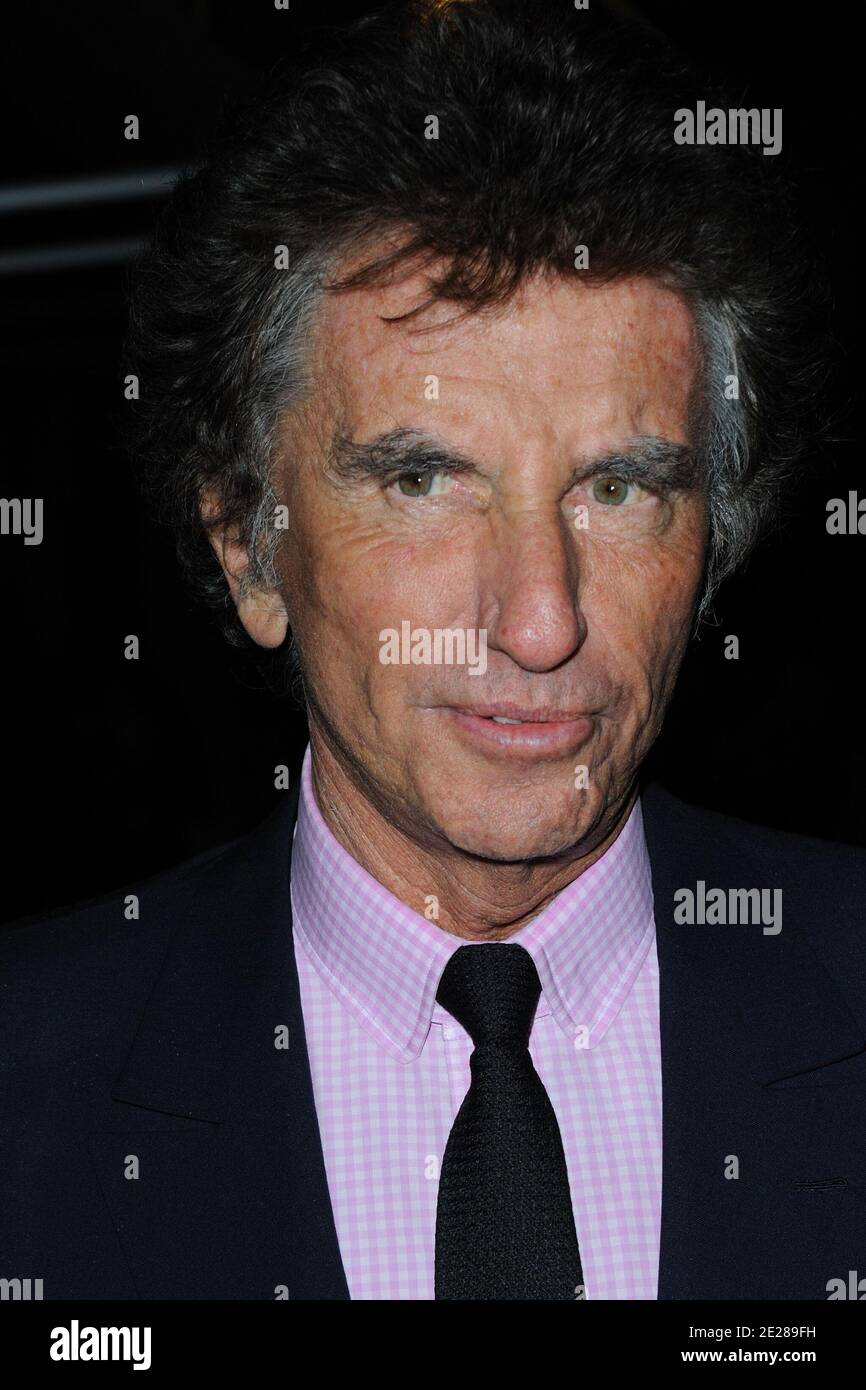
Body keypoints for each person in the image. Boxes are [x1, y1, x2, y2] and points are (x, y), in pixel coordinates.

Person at [2, 0, 864, 1301]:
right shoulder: (28, 1084)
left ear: (716, 544)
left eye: (621, 487)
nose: (539, 619)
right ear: (248, 548)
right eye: (423, 478)